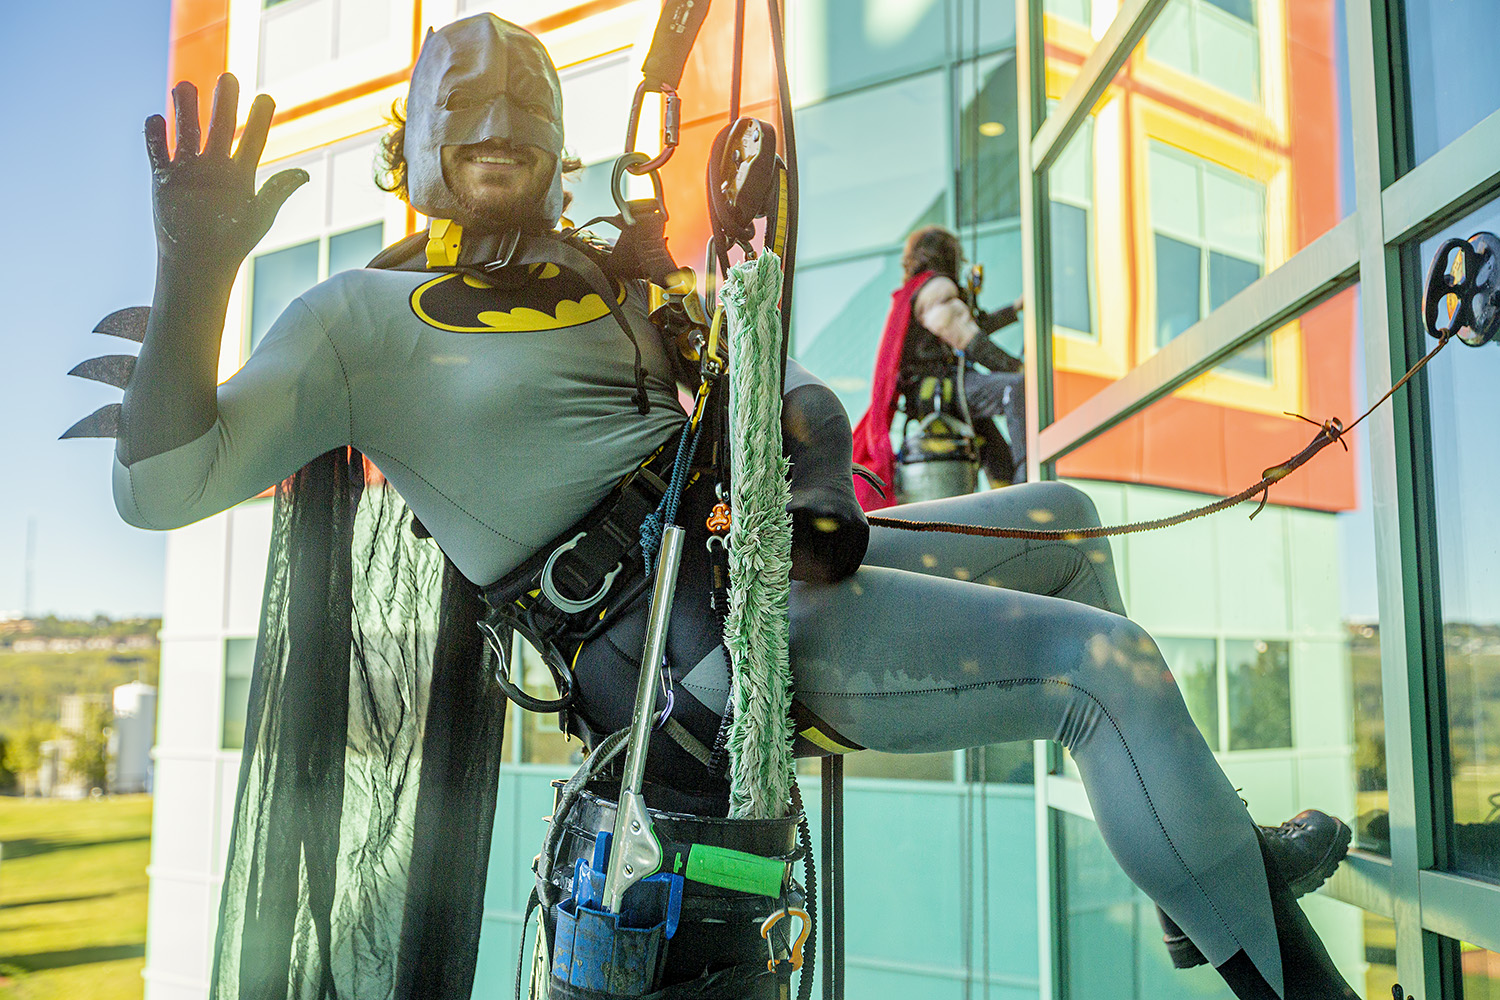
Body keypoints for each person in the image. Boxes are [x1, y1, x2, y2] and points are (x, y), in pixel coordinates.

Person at [101, 13, 1361, 1000]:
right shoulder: (353, 324)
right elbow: (164, 486)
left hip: (770, 569)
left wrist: (819, 484)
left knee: (1074, 519)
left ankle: (1196, 880)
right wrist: (195, 270)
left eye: (525, 111)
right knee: (1103, 667)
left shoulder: (616, 275)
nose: (500, 125)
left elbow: (783, 382)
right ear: (416, 142)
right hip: (690, 663)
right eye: (466, 112)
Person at [853, 226, 1028, 511]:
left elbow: (971, 326)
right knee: (1014, 389)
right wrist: (1016, 368)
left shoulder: (921, 290)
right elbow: (967, 336)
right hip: (941, 389)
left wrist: (1013, 310)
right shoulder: (937, 289)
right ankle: (1027, 490)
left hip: (936, 392)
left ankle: (1011, 502)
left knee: (995, 451)